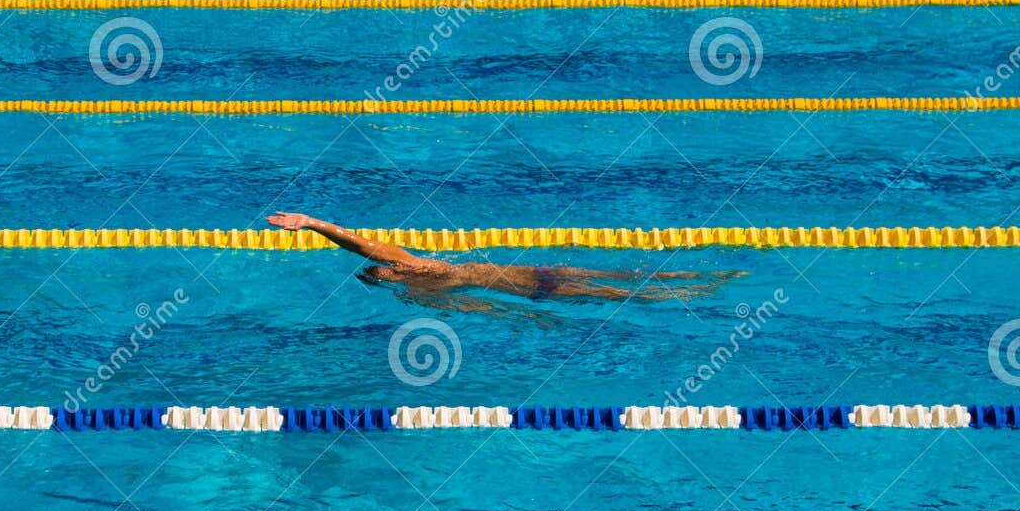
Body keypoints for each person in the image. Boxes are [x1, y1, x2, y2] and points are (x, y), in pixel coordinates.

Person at [267, 212, 742, 302]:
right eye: (380, 276)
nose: (384, 272)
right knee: (619, 286)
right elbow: (478, 307)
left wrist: (312, 223)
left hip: (533, 281)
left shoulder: (414, 269)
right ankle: (695, 283)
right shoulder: (416, 293)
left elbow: (361, 243)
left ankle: (692, 282)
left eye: (381, 272)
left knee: (619, 283)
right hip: (533, 286)